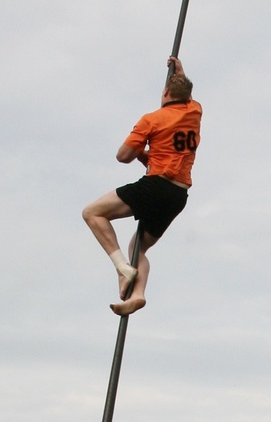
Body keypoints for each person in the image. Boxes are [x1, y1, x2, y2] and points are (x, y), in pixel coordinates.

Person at [82, 56, 201, 316]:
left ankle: (121, 268)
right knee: (139, 246)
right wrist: (181, 73)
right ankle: (138, 295)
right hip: (178, 194)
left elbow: (122, 156)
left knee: (92, 213)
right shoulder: (195, 111)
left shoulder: (152, 120)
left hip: (156, 186)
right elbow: (186, 96)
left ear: (166, 92)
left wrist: (138, 145)